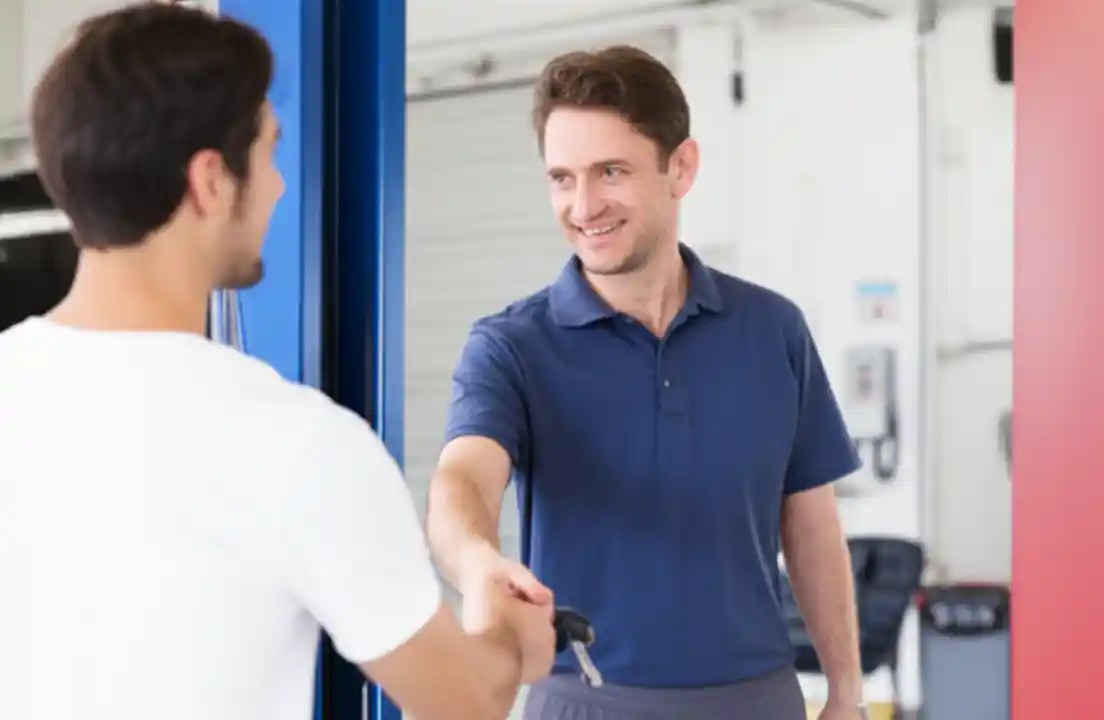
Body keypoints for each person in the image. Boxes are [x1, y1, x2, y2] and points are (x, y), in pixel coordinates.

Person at [0, 5, 555, 719]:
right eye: (269, 153)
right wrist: (511, 636)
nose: (279, 187)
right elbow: (463, 697)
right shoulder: (298, 444)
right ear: (210, 181)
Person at [426, 45, 869, 720]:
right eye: (561, 178)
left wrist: (845, 690)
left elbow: (811, 526)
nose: (583, 205)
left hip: (757, 703)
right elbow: (463, 479)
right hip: (585, 702)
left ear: (680, 167)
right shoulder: (510, 346)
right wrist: (478, 563)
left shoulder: (772, 331)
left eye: (610, 171)